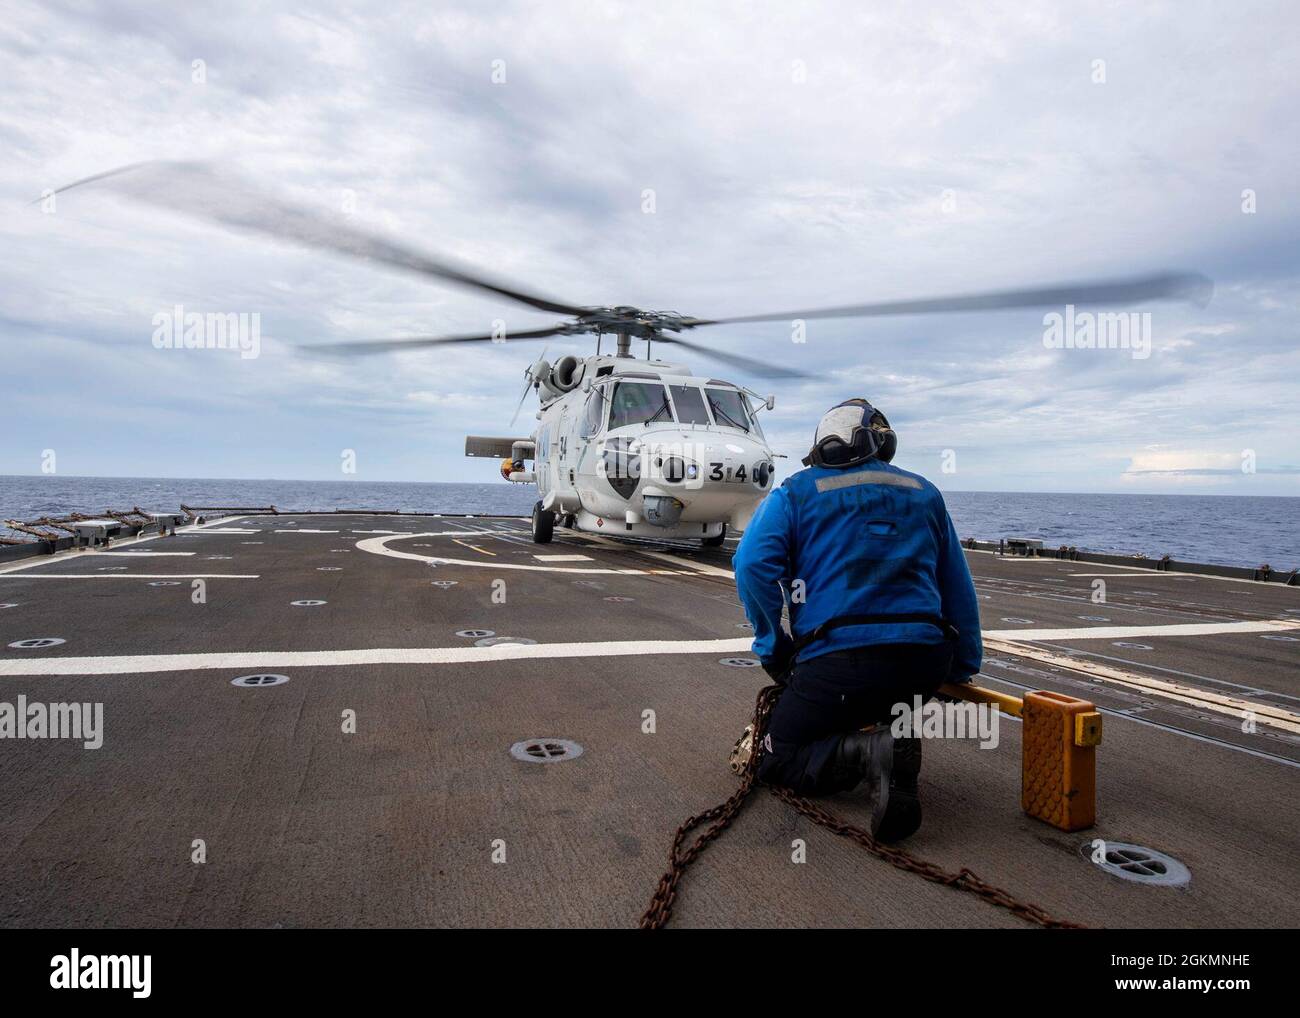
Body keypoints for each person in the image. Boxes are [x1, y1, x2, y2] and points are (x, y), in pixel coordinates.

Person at [732, 398, 982, 841]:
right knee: (863, 701)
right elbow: (957, 588)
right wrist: (960, 668)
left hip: (840, 667)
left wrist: (774, 649)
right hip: (923, 666)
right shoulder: (926, 493)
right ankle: (881, 744)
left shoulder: (795, 492)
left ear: (825, 446)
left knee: (776, 757)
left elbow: (751, 565)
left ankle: (872, 752)